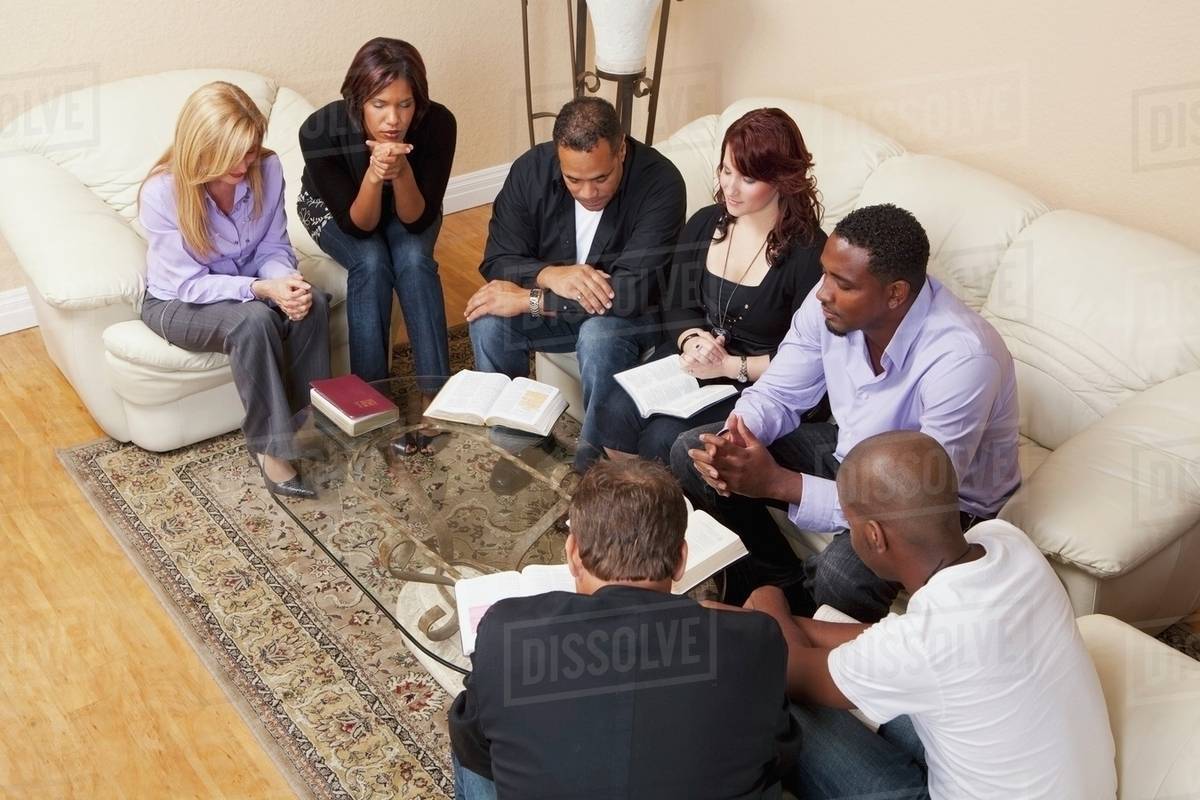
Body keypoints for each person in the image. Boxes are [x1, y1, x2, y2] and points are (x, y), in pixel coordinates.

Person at [672, 203, 1021, 619]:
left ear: (895, 294)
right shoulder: (828, 308)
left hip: (941, 503)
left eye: (844, 282)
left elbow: (918, 497)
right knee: (694, 452)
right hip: (854, 452)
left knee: (841, 574)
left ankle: (802, 636)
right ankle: (779, 589)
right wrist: (737, 440)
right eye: (826, 273)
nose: (822, 292)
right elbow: (779, 393)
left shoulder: (963, 359)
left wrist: (779, 483)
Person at [731, 431, 1116, 800]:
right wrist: (787, 624)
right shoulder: (1007, 541)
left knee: (767, 684)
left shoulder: (926, 641)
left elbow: (791, 672)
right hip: (1053, 777)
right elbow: (912, 643)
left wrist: (768, 596)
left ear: (874, 536)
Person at [448, 458, 800, 799]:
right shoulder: (757, 641)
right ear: (680, 560)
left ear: (573, 553)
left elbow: (473, 745)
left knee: (471, 733)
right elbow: (780, 754)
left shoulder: (504, 631)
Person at [593, 108, 826, 466]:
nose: (729, 187)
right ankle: (630, 503)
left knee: (663, 437)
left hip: (755, 378)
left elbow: (807, 359)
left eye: (746, 178)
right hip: (695, 356)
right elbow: (677, 302)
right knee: (614, 408)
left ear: (782, 179)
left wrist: (729, 366)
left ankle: (659, 513)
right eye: (726, 170)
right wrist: (692, 339)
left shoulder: (809, 254)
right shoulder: (706, 222)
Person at [466, 96, 686, 470]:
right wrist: (550, 274)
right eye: (574, 180)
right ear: (557, 157)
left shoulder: (661, 183)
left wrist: (532, 300)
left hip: (631, 317)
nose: (588, 193)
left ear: (621, 150)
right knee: (489, 323)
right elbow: (498, 258)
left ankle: (594, 469)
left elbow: (630, 293)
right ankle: (513, 447)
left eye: (601, 178)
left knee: (599, 336)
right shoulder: (530, 171)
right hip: (564, 308)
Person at [139, 81, 329, 497]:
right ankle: (269, 448)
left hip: (249, 285)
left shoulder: (268, 167)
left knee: (311, 300)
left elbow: (274, 244)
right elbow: (188, 284)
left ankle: (304, 423)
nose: (245, 163)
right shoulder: (161, 192)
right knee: (254, 321)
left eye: (250, 148)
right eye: (233, 153)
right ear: (201, 145)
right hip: (177, 301)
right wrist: (262, 288)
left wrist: (286, 281)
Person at [298, 37, 455, 451]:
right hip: (337, 210)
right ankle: (370, 404)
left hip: (412, 200)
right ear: (357, 100)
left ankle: (435, 397)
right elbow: (359, 228)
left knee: (414, 257)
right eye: (380, 104)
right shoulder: (320, 131)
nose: (393, 119)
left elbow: (416, 218)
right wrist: (373, 174)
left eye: (404, 104)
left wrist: (400, 172)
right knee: (369, 259)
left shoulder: (438, 124)